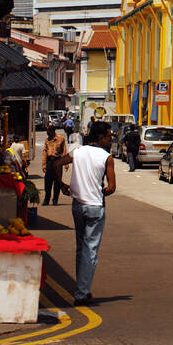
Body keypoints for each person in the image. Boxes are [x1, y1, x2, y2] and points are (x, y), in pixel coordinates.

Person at [68, 121, 116, 305]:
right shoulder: (107, 157)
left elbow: (56, 164)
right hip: (95, 207)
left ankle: (82, 287)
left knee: (81, 248)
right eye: (109, 136)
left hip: (78, 205)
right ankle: (81, 293)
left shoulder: (77, 151)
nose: (111, 140)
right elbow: (111, 187)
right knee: (91, 251)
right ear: (101, 137)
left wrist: (63, 186)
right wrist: (101, 192)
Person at [43, 127, 67, 206]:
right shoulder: (47, 140)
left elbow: (64, 151)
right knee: (47, 182)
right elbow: (44, 152)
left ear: (53, 131)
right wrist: (44, 164)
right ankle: (46, 200)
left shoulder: (61, 139)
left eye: (48, 132)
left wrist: (66, 164)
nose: (47, 133)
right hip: (49, 162)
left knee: (57, 182)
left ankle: (55, 200)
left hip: (58, 161)